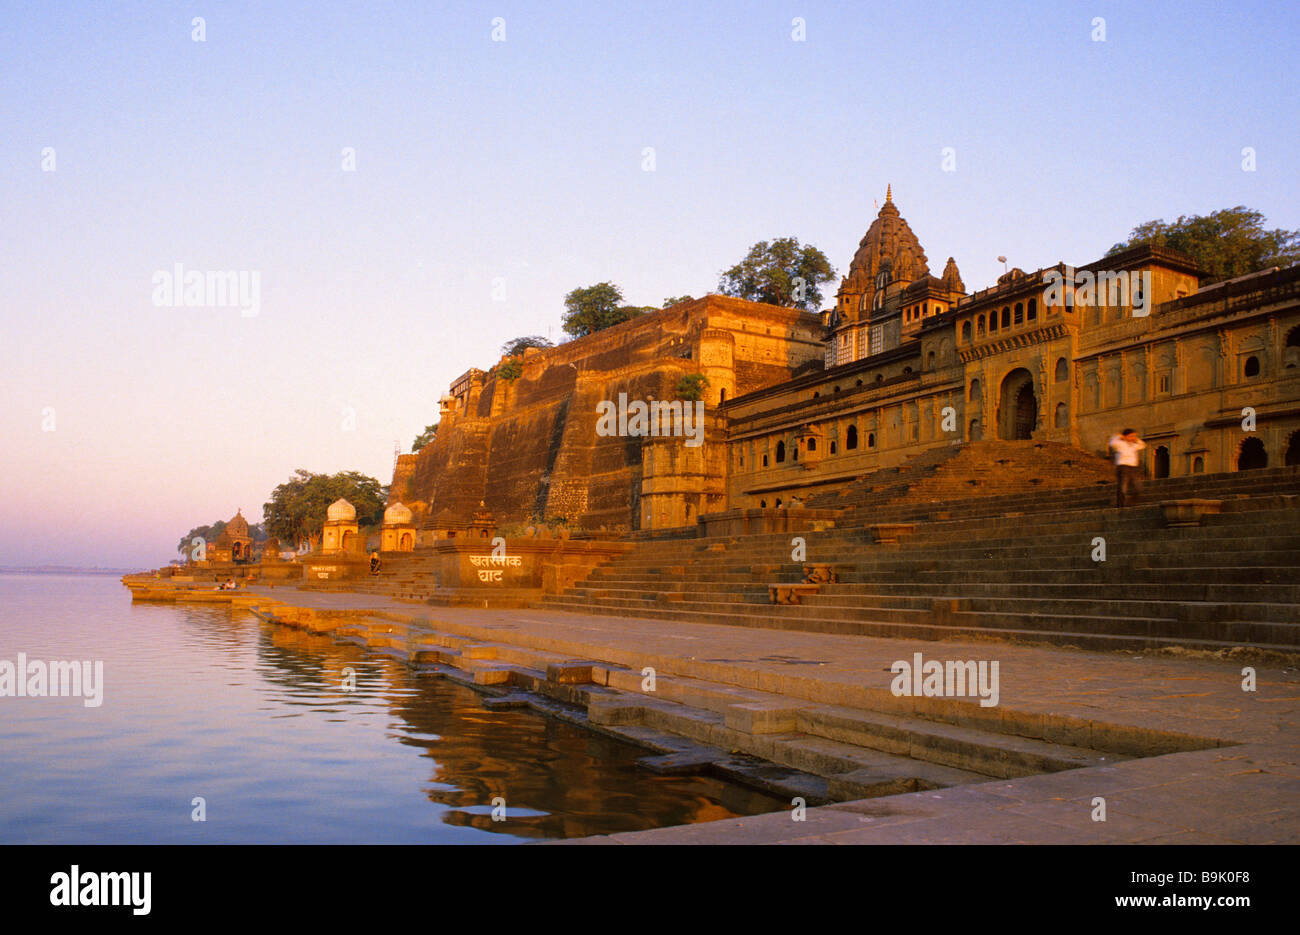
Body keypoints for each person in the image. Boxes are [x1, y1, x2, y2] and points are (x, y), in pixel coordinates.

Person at [1108, 428, 1146, 507]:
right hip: (1123, 468)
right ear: (1126, 436)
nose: (1133, 437)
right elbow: (1111, 443)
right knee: (1123, 487)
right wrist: (1119, 437)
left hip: (1133, 468)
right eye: (1131, 436)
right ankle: (1120, 504)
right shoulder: (1120, 444)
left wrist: (1136, 439)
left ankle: (1130, 501)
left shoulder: (1133, 445)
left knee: (1139, 488)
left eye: (1134, 436)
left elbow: (1143, 445)